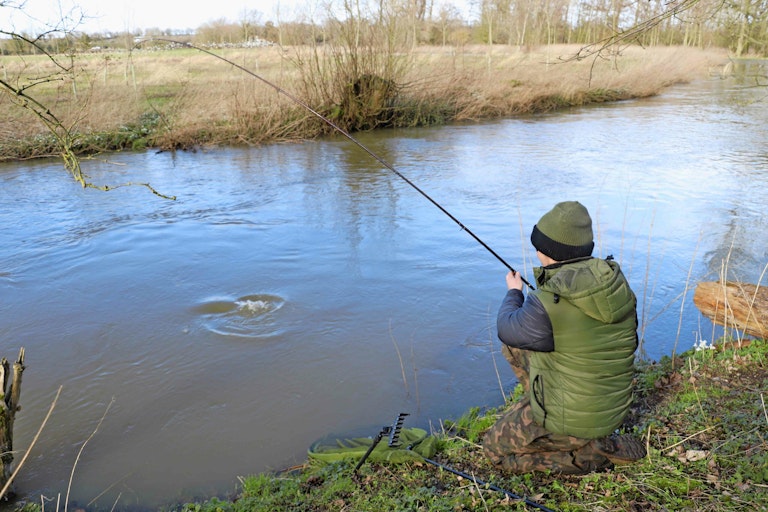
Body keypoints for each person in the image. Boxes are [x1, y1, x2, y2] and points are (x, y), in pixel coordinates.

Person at [482, 200, 645, 474]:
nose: (536, 251)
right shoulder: (614, 283)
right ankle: (573, 423)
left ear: (548, 252)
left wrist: (514, 292)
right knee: (523, 345)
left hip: (574, 417)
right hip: (614, 407)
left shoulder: (547, 303)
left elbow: (506, 328)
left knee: (493, 451)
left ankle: (591, 455)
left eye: (539, 247)